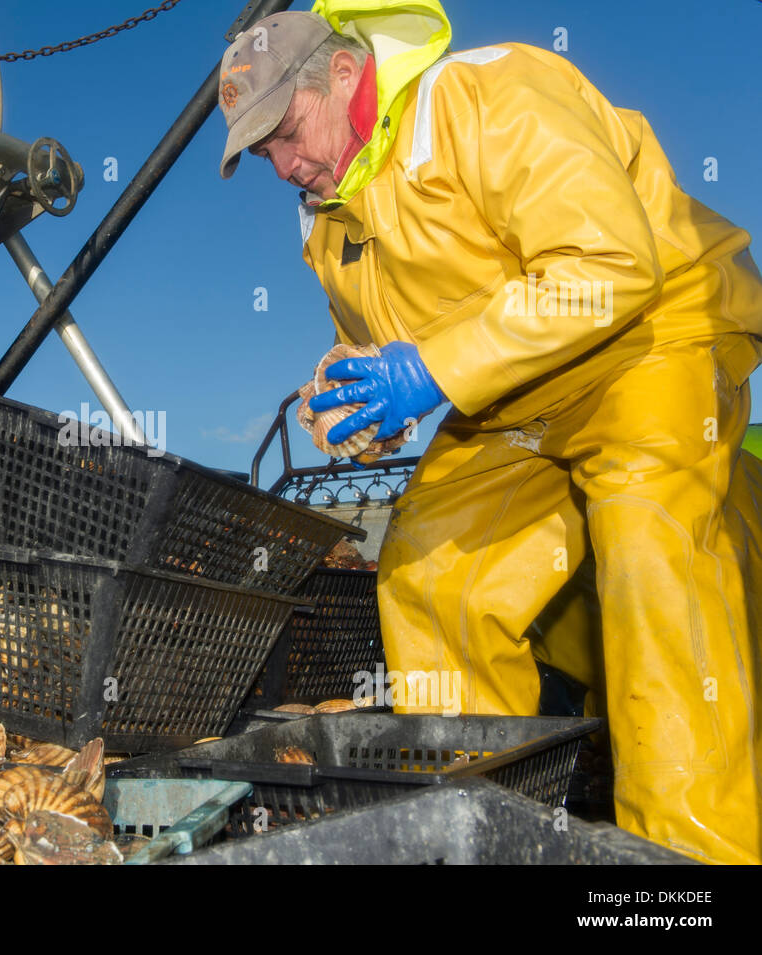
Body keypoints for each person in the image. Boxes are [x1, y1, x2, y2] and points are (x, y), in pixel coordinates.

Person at [218, 1, 762, 865]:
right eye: (262, 153)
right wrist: (347, 400)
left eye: (286, 130)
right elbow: (375, 346)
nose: (282, 165)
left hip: (653, 338)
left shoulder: (482, 96)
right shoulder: (329, 225)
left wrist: (430, 371)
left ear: (348, 77)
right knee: (430, 569)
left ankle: (692, 870)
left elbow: (610, 267)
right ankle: (489, 835)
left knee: (651, 554)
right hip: (516, 403)